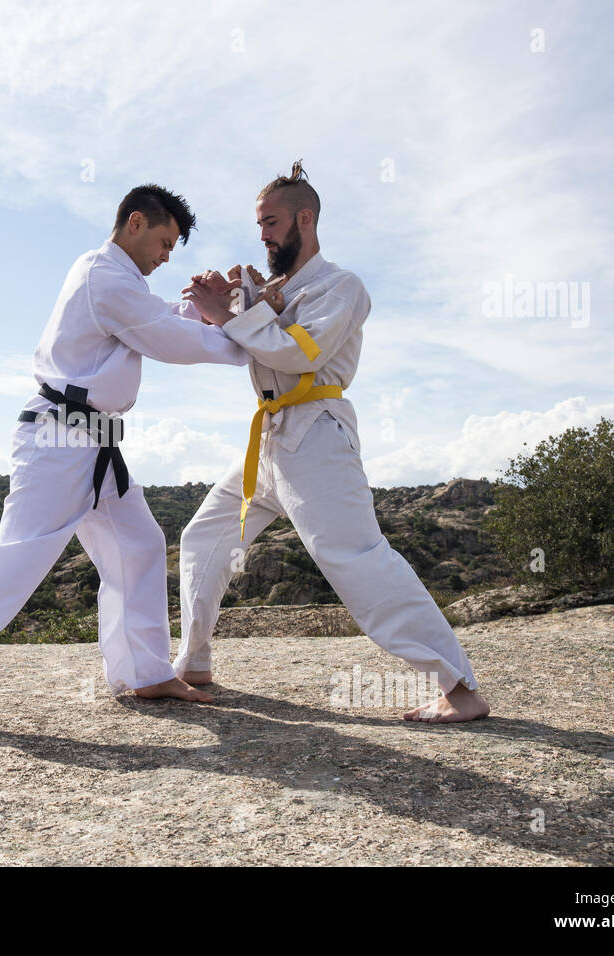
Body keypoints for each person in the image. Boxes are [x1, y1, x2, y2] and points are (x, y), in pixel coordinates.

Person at [0, 184, 249, 723]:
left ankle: (146, 673)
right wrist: (249, 335)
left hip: (93, 442)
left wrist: (209, 306)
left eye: (172, 248)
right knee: (20, 554)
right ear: (135, 223)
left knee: (138, 545)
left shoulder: (118, 280)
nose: (164, 256)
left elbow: (163, 318)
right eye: (163, 241)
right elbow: (169, 338)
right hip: (60, 438)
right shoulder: (103, 278)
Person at [177, 162, 490, 723]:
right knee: (205, 536)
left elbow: (299, 352)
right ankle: (193, 661)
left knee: (354, 557)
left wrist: (232, 313)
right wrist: (234, 302)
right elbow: (246, 336)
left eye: (271, 222)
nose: (264, 234)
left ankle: (460, 688)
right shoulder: (275, 290)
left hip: (317, 434)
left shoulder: (340, 286)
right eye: (259, 225)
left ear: (305, 218)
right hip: (272, 437)